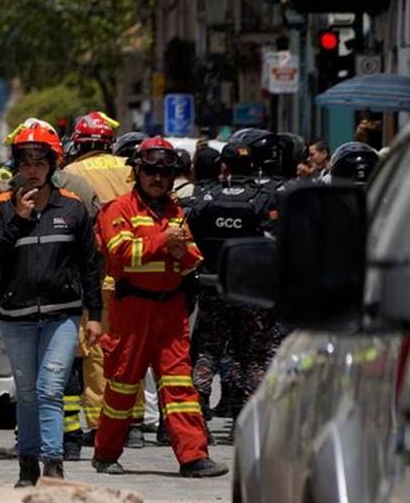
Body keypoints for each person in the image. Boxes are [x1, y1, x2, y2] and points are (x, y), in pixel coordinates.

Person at [93, 136, 227, 478]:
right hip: (133, 309)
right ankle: (106, 454)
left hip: (171, 310)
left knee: (180, 386)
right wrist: (163, 242)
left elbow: (192, 259)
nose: (157, 179)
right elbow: (119, 256)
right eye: (151, 171)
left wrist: (184, 254)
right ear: (137, 172)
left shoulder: (175, 211)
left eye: (164, 173)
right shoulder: (118, 209)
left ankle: (194, 456)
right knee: (123, 384)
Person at [0, 118, 103, 486]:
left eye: (39, 162)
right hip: (16, 316)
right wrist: (18, 219)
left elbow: (89, 265)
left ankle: (54, 465)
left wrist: (94, 315)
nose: (32, 170)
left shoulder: (73, 209)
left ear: (53, 165)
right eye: (25, 162)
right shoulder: (2, 206)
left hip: (61, 315)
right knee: (28, 392)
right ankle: (27, 465)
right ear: (17, 166)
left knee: (51, 388)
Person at [59, 111, 149, 456]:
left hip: (95, 271)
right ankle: (135, 421)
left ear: (78, 143)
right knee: (131, 345)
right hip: (135, 266)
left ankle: (101, 423)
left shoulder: (69, 175)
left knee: (98, 349)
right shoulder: (130, 168)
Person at [186, 141, 278, 422]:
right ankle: (251, 417)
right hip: (250, 292)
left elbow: (190, 240)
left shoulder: (204, 198)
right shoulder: (264, 198)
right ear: (253, 165)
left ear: (222, 166)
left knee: (207, 351)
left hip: (213, 287)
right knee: (252, 355)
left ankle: (197, 411)